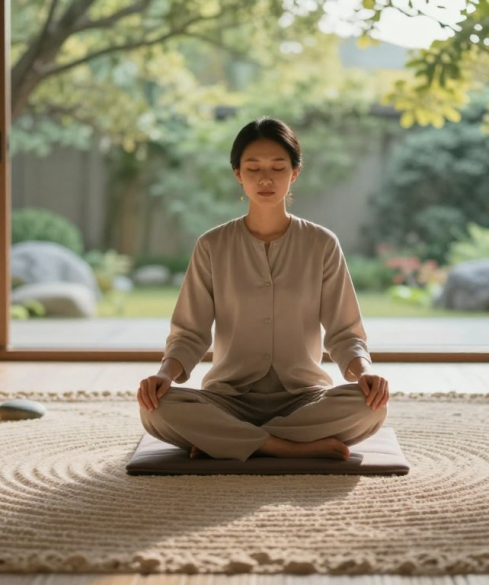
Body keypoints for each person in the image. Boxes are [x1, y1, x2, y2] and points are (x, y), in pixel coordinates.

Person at [137, 116, 390, 462]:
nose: (265, 178)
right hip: (227, 399)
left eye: (277, 167)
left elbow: (345, 333)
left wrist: (366, 373)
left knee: (369, 407)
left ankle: (225, 442)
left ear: (295, 173)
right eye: (253, 168)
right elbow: (189, 333)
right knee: (156, 408)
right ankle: (282, 447)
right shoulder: (212, 245)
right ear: (238, 174)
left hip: (304, 398)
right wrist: (163, 375)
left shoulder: (321, 244)